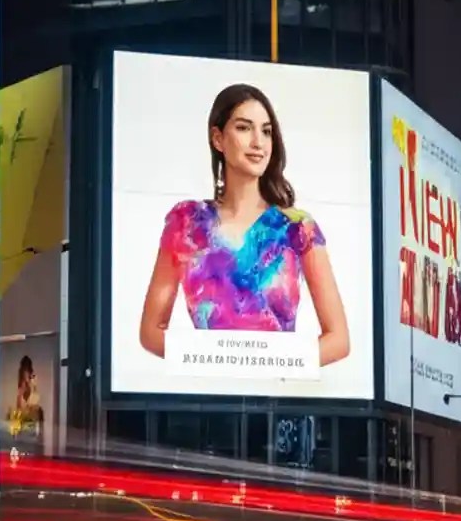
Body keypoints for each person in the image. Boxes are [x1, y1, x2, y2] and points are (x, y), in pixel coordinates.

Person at [138, 83, 350, 366]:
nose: (258, 142)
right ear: (218, 139)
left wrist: (271, 364)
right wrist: (214, 362)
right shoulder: (187, 224)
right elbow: (151, 332)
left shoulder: (297, 228)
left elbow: (339, 339)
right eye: (243, 128)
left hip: (278, 389)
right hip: (210, 390)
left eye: (266, 131)